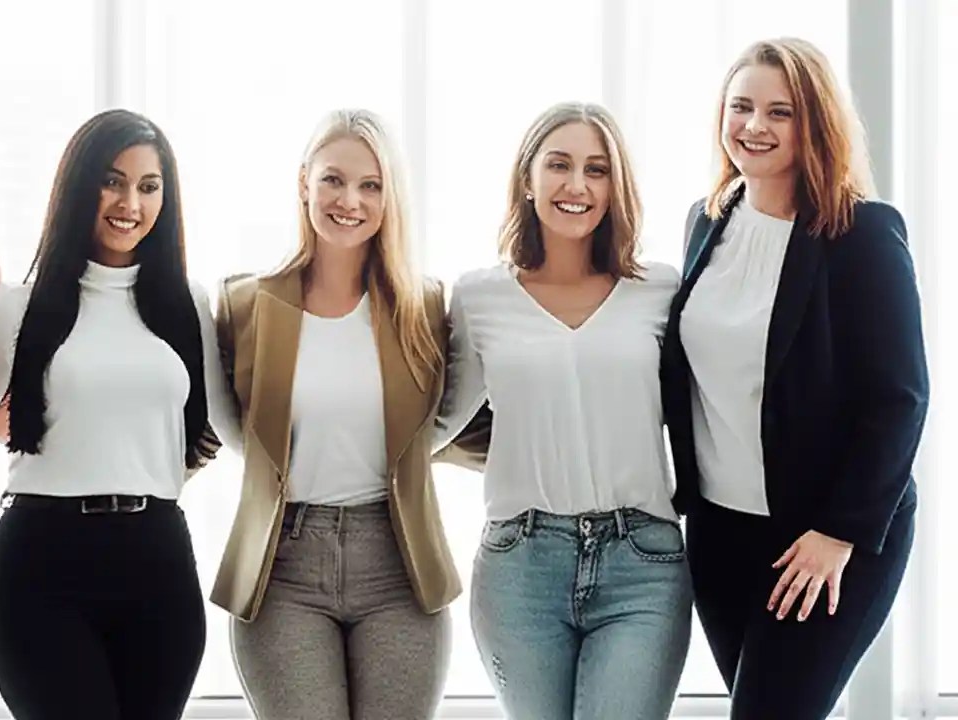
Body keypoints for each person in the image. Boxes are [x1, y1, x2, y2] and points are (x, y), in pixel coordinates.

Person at [662, 38, 928, 719]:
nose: (754, 126)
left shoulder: (861, 232)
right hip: (721, 530)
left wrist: (838, 534)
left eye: (780, 112)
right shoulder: (707, 222)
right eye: (741, 106)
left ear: (814, 123)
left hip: (825, 535)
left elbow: (899, 398)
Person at [0, 108, 236, 720]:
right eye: (112, 181)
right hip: (44, 559)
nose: (129, 203)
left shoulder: (186, 304)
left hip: (156, 555)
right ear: (77, 185)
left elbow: (213, 425)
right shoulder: (17, 306)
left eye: (148, 186)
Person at [436, 101, 691, 720]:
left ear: (615, 187)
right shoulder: (479, 295)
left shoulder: (659, 288)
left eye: (596, 170)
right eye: (559, 165)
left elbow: (708, 408)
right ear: (528, 180)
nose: (577, 186)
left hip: (644, 562)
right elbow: (437, 422)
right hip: (520, 565)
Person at [214, 108, 460, 720]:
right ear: (304, 183)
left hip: (396, 563)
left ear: (389, 198)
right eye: (333, 179)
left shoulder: (422, 305)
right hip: (285, 566)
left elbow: (449, 417)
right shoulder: (249, 303)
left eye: (370, 185)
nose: (349, 200)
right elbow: (225, 424)